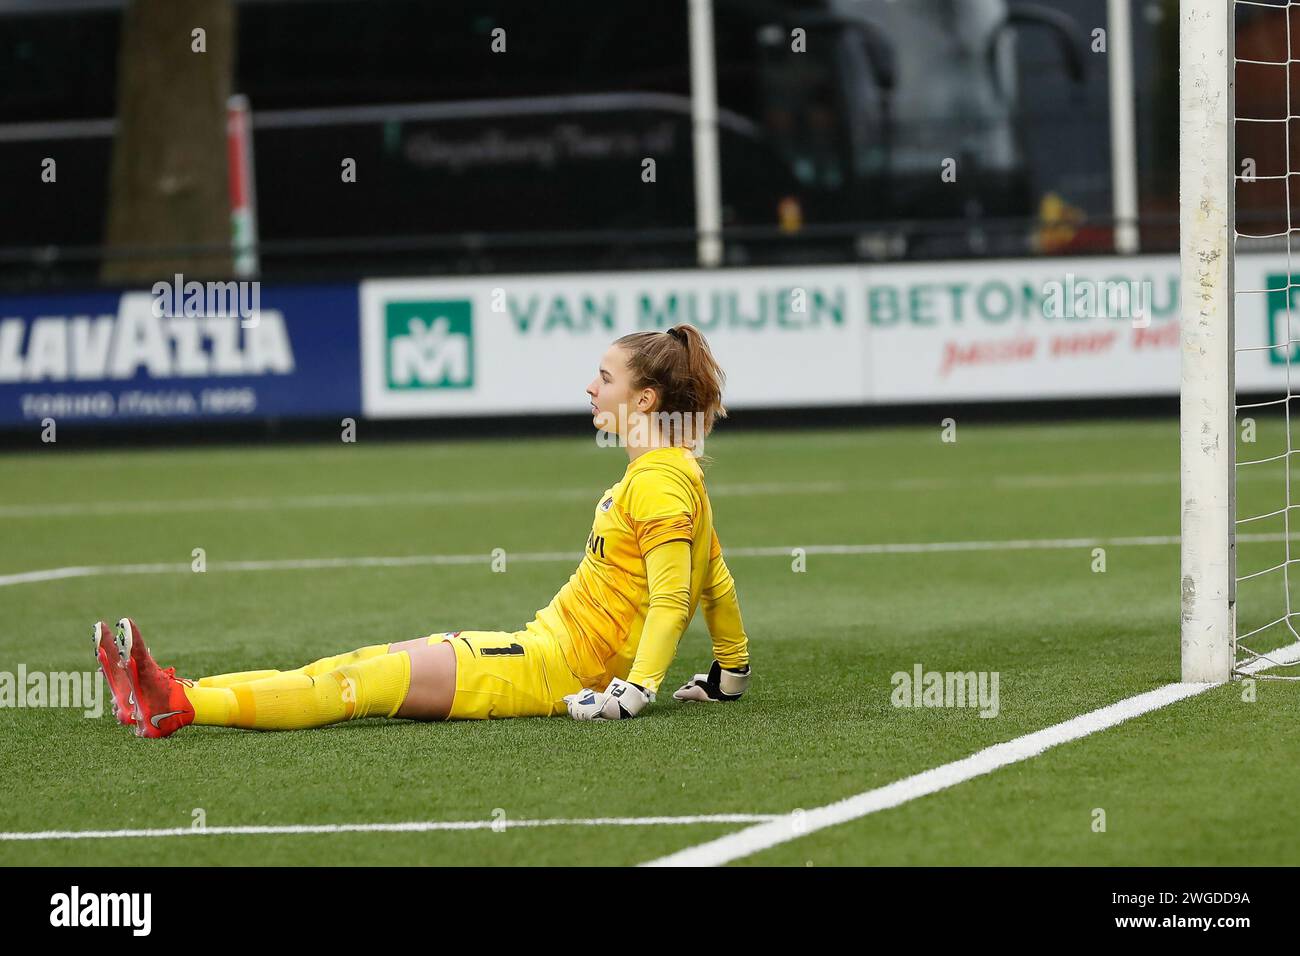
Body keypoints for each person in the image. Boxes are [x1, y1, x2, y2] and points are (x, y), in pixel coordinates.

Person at [91, 323, 752, 738]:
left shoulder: (659, 480)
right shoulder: (673, 471)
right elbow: (714, 581)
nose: (590, 388)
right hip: (540, 650)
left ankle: (175, 704)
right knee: (340, 668)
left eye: (605, 378)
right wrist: (731, 674)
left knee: (353, 689)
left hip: (551, 669)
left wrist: (635, 692)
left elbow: (674, 597)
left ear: (645, 401)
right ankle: (170, 693)